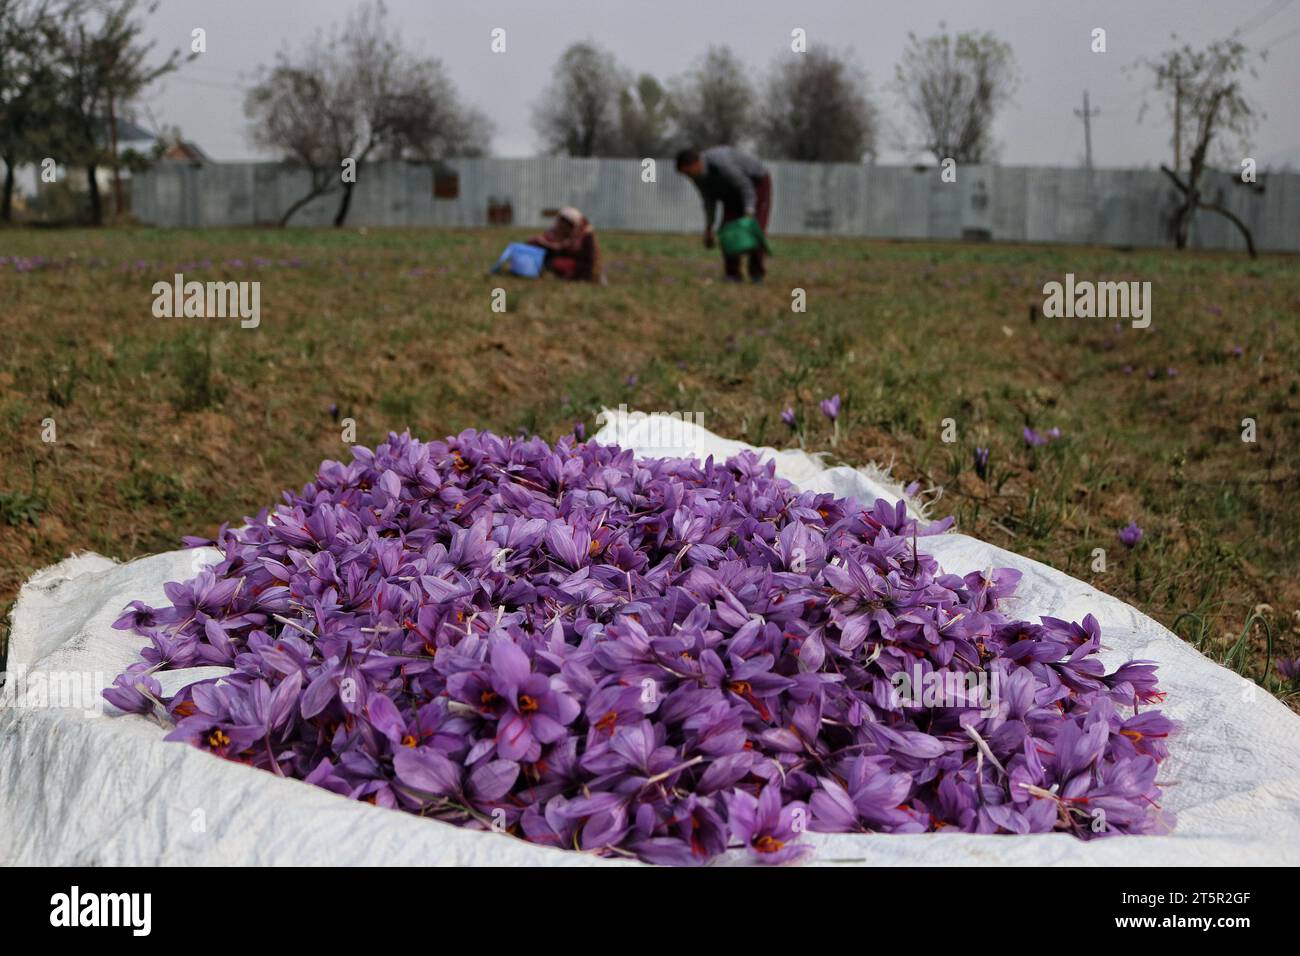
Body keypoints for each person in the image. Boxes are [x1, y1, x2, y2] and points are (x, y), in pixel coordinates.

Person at [675, 146, 772, 282]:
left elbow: (745, 186)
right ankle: (733, 274)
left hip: (756, 183)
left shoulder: (721, 163)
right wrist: (709, 228)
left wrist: (749, 213)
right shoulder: (698, 177)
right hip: (730, 192)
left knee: (752, 229)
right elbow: (709, 201)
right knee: (727, 230)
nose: (688, 177)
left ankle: (756, 274)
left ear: (695, 163)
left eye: (688, 173)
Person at [527, 207, 604, 283]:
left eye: (564, 225)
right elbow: (546, 241)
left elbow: (590, 263)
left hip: (581, 268)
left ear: (572, 225)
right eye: (560, 222)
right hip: (565, 259)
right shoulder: (557, 231)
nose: (561, 227)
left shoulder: (585, 236)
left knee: (556, 264)